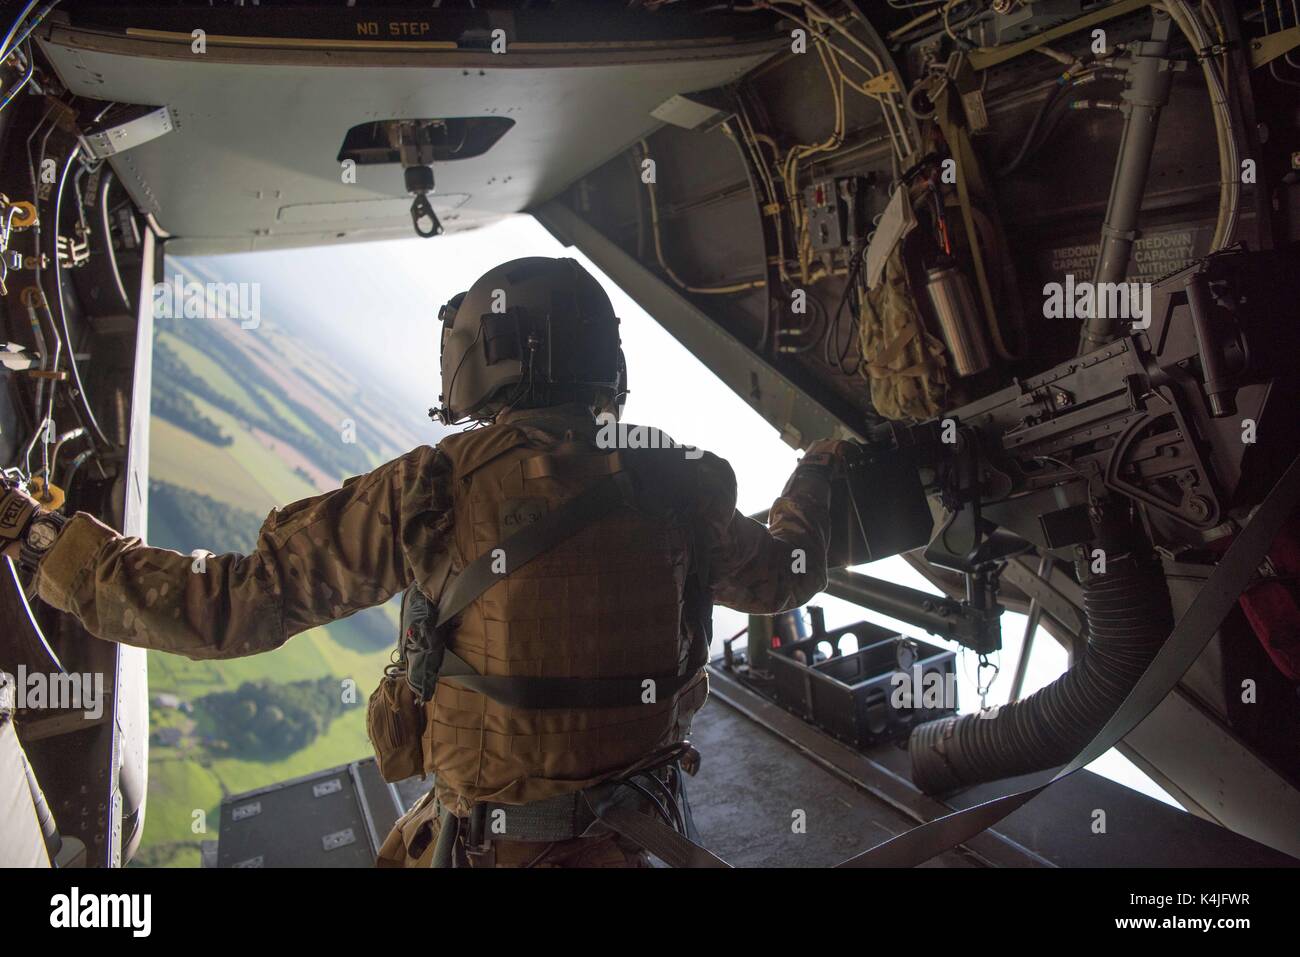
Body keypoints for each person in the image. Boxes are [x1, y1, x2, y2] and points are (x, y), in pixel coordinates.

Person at [1, 256, 852, 867]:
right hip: (655, 842)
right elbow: (786, 572)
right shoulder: (681, 483)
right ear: (604, 362)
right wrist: (813, 478)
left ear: (489, 355)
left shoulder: (432, 487)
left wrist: (43, 539)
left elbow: (225, 603)